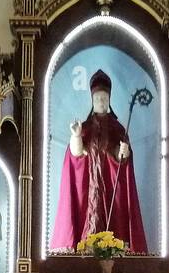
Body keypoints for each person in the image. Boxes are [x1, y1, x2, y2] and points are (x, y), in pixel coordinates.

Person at [50, 70, 147, 252]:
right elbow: (75, 156)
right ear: (92, 101)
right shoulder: (85, 127)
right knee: (85, 230)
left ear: (109, 101)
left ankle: (114, 249)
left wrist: (123, 153)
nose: (101, 102)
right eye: (97, 99)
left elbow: (123, 157)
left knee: (115, 228)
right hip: (88, 194)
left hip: (111, 191)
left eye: (104, 98)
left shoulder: (118, 128)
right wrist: (76, 135)